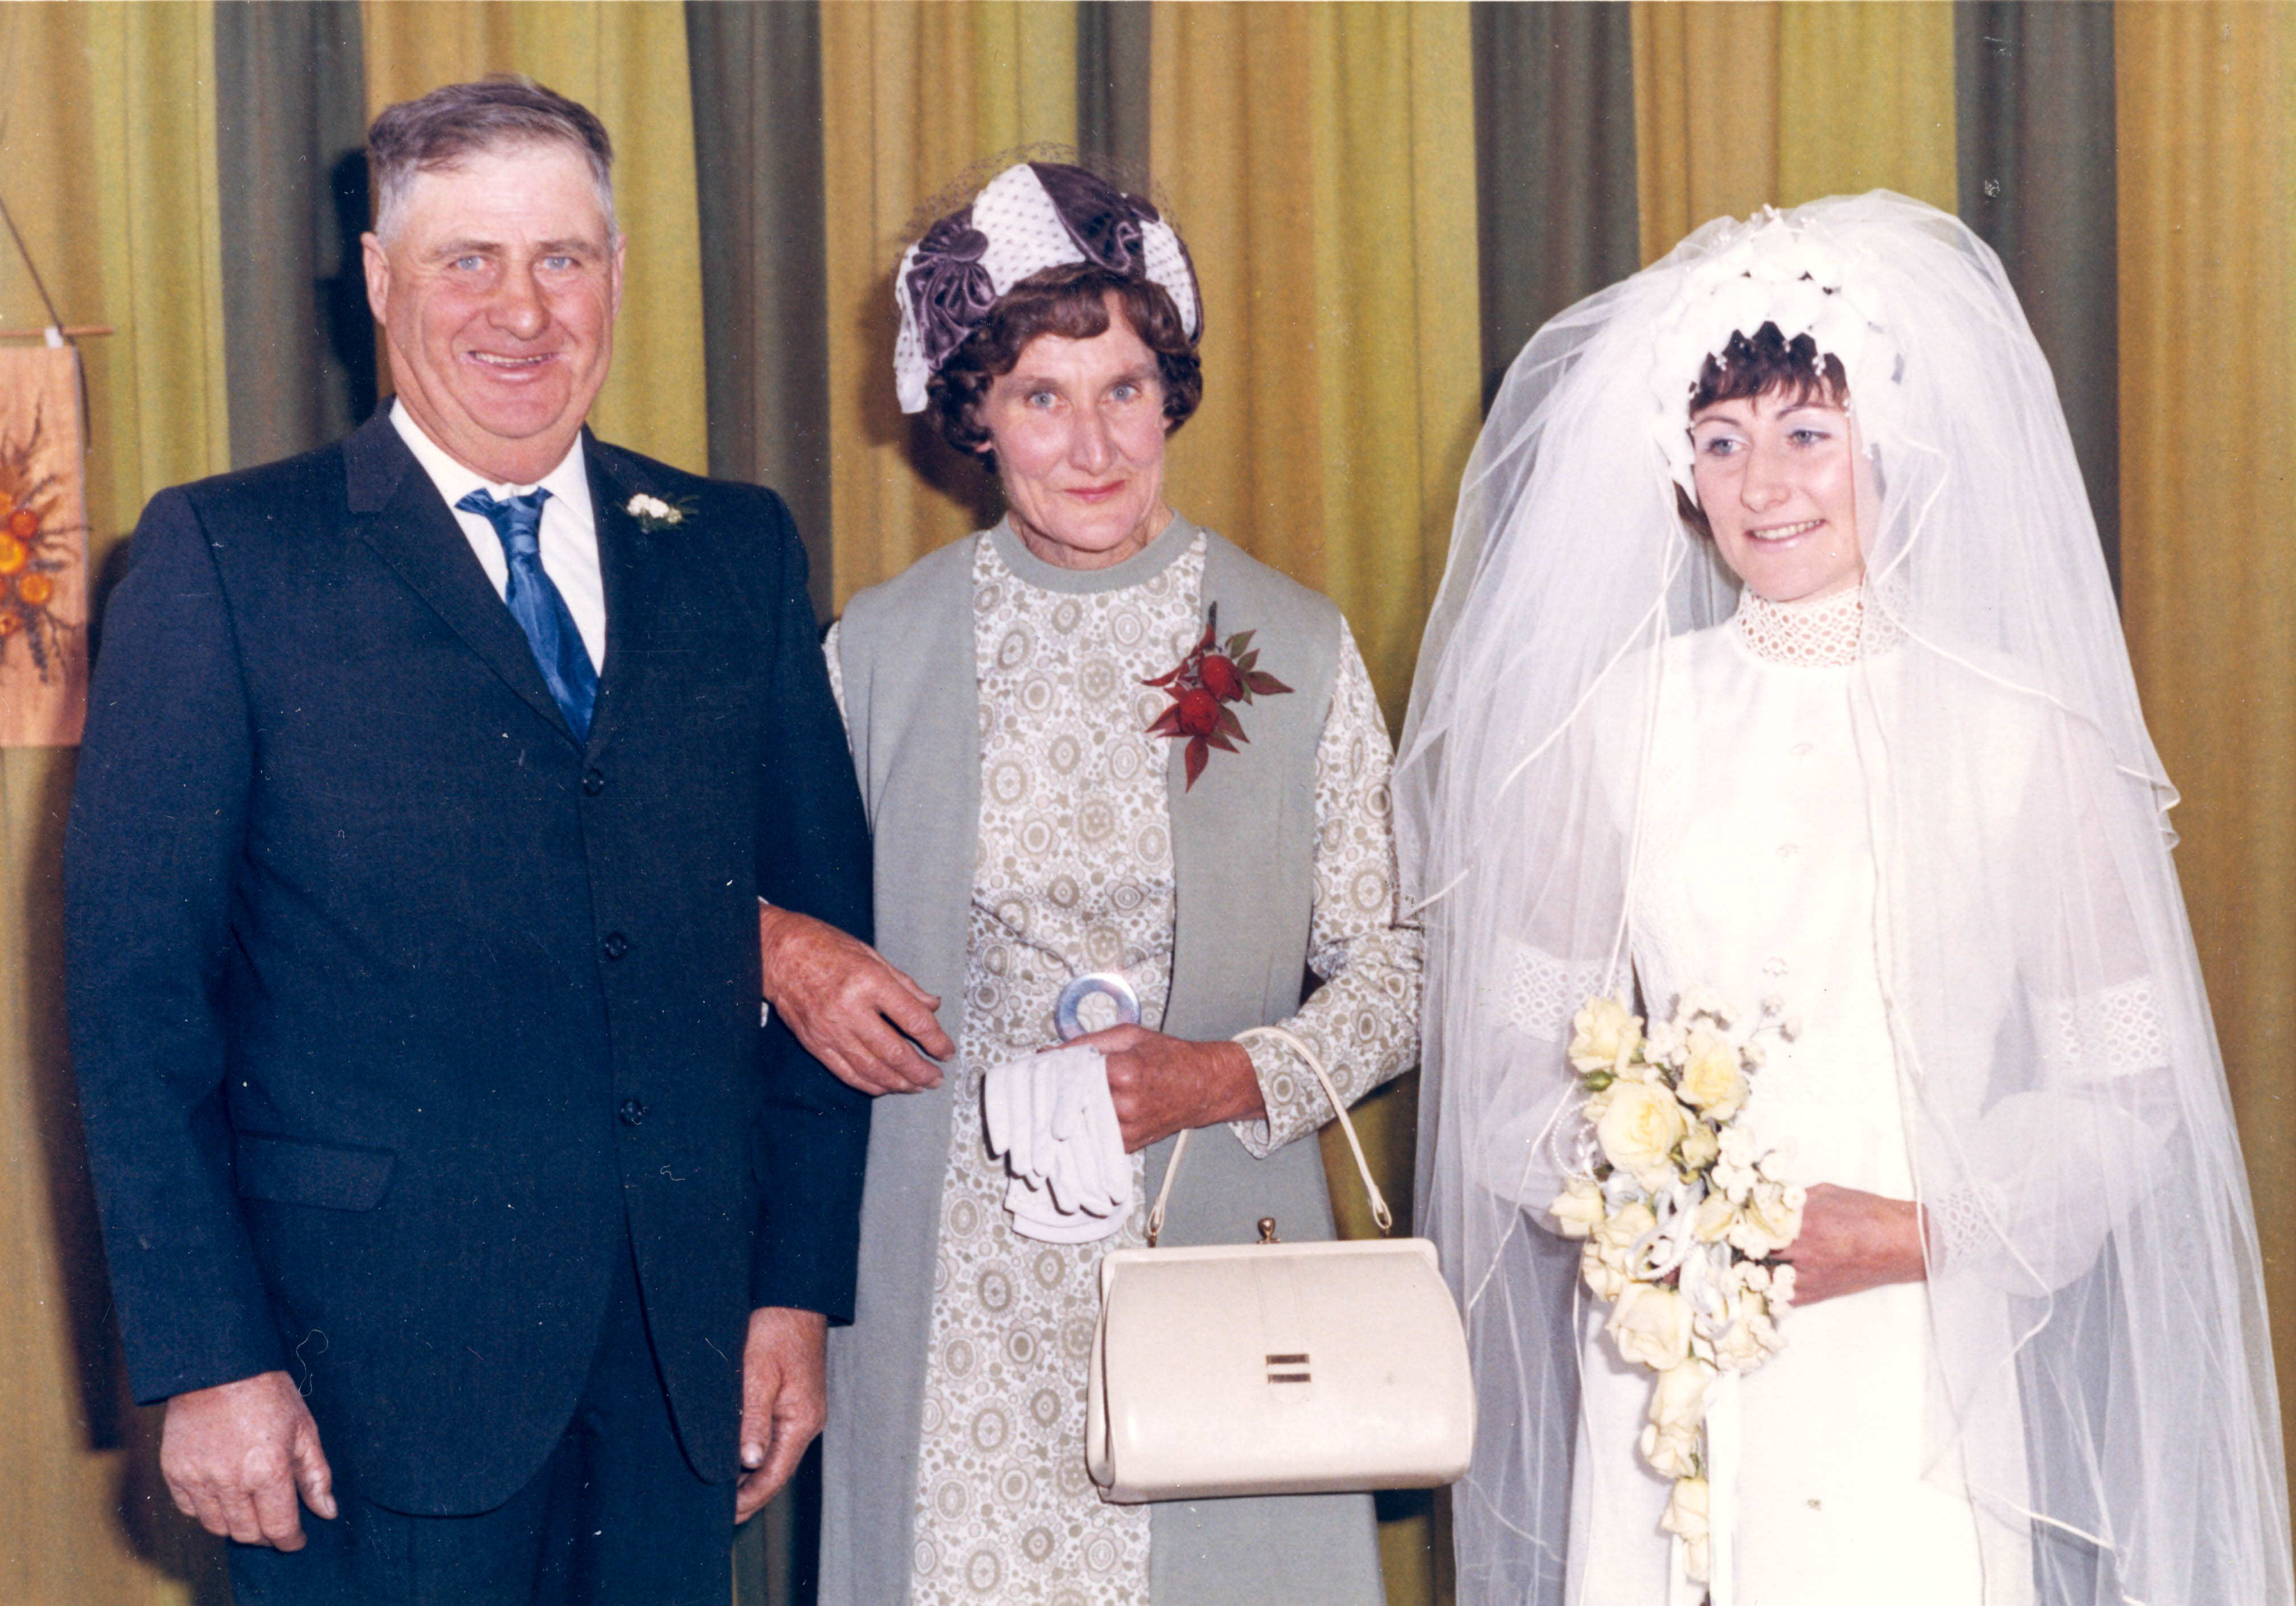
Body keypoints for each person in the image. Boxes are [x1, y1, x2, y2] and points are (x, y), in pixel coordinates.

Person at [1396, 192, 2293, 1606]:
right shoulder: (1612, 728)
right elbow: (1511, 1071)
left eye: (1808, 433)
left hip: (1916, 1368)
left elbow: (2129, 1090)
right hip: (1672, 1371)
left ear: (1891, 445)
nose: (1765, 485)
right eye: (1721, 440)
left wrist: (1920, 1230)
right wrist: (1660, 1199)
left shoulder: (2025, 733)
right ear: (1679, 471)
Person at [63, 77, 875, 1605]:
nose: (522, 311)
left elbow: (827, 952)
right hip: (354, 1391)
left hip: (677, 1377)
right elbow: (135, 1003)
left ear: (616, 274)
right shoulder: (229, 557)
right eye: (468, 261)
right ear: (380, 280)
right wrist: (208, 1359)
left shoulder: (733, 551)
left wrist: (793, 1292)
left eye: (562, 258)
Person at [767, 159, 1422, 1606]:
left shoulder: (1293, 645)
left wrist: (1228, 1076)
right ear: (973, 415)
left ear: (1170, 390)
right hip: (952, 1298)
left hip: (1219, 1255)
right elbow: (783, 961)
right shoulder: (875, 653)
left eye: (1124, 387)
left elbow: (1403, 968)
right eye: (1040, 397)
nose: (1092, 442)